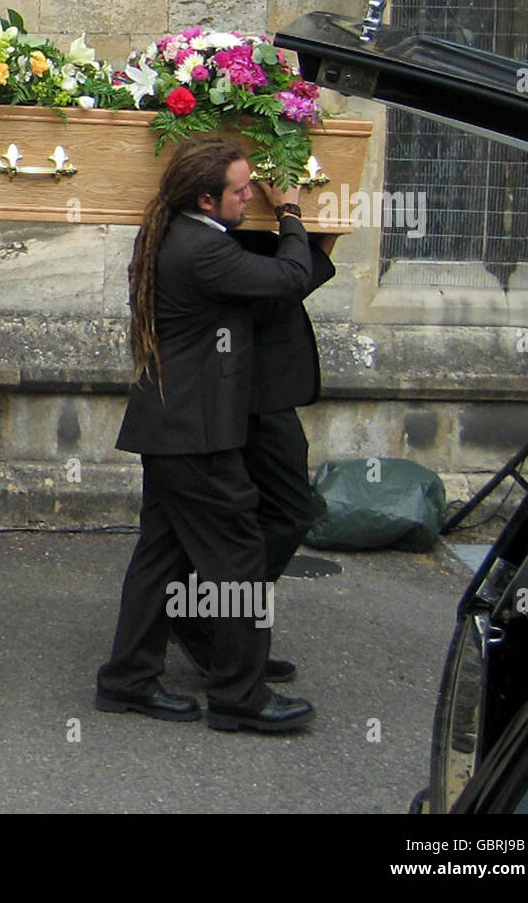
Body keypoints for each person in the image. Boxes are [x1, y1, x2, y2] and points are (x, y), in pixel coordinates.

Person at [95, 137, 317, 733]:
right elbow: (291, 274)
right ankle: (239, 696)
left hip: (171, 425)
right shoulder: (204, 250)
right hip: (194, 434)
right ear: (205, 197)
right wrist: (291, 210)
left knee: (160, 557)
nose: (252, 197)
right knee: (240, 559)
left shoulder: (182, 234)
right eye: (241, 191)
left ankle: (128, 678)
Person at [168, 227, 338, 681]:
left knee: (256, 515)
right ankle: (209, 621)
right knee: (287, 512)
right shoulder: (216, 234)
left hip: (262, 384)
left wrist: (319, 228)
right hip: (251, 387)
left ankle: (215, 625)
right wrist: (298, 223)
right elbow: (267, 295)